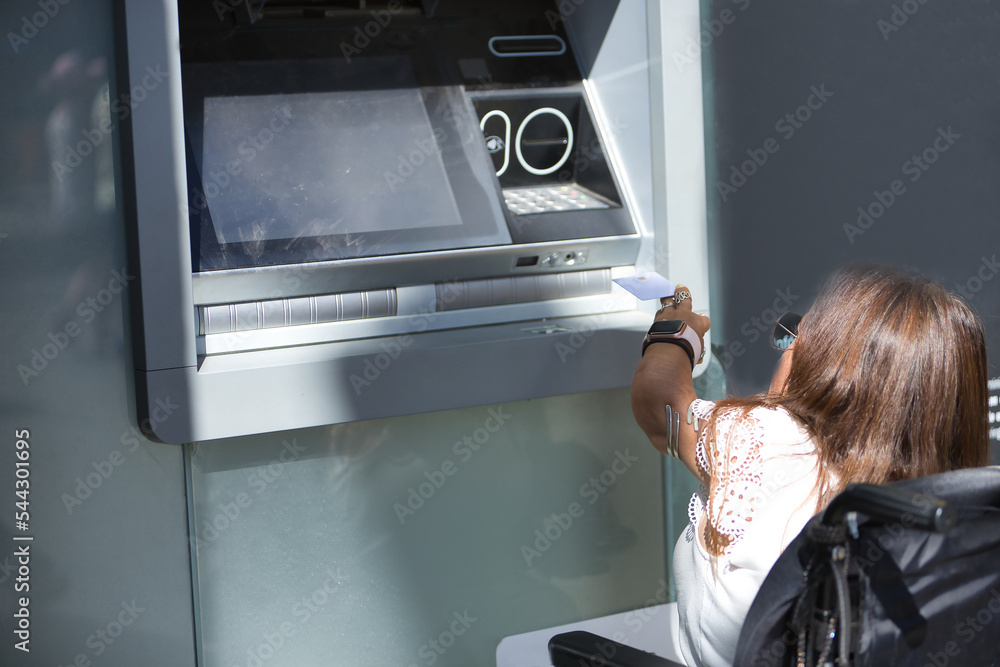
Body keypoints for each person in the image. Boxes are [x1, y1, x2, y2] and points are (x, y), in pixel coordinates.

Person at [630, 265, 990, 667]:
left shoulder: (764, 437)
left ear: (827, 369)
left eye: (795, 339)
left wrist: (675, 330)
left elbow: (658, 403)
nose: (786, 347)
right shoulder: (956, 497)